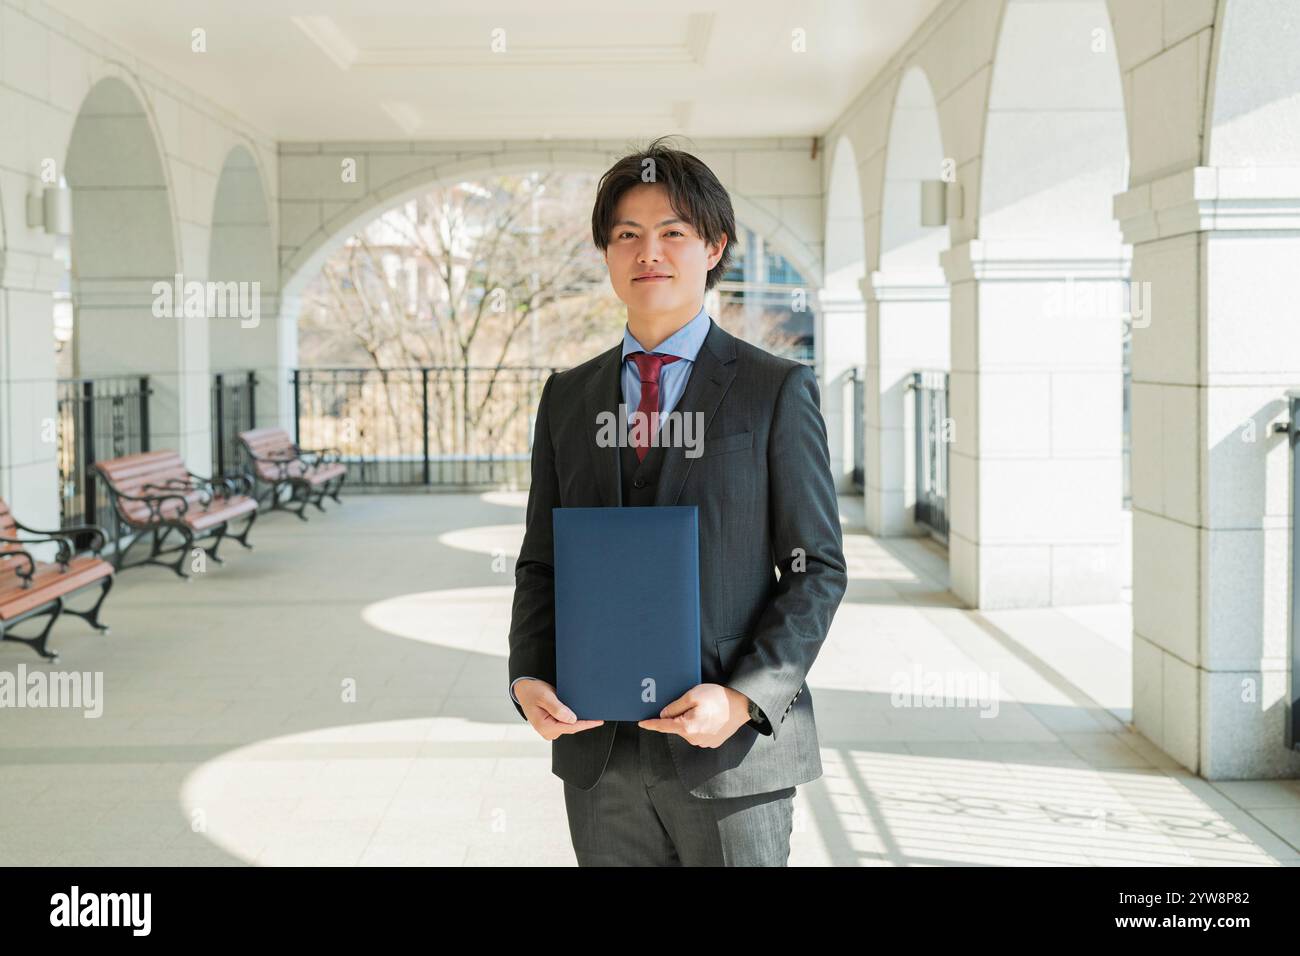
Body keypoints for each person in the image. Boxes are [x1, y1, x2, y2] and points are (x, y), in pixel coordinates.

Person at [507, 135, 847, 866]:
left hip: (731, 759)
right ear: (606, 253)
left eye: (673, 233)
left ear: (714, 246)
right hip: (599, 760)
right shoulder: (567, 398)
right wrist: (527, 675)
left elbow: (816, 567)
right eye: (626, 235)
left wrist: (745, 696)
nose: (647, 252)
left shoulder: (776, 390)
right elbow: (540, 562)